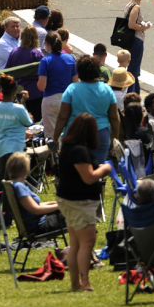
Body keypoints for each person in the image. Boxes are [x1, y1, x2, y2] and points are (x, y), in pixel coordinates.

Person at [56, 114, 111, 292]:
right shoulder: (79, 151)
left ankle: (75, 284)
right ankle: (84, 282)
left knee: (76, 244)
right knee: (87, 243)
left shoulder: (67, 147)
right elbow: (88, 178)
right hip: (80, 202)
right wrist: (105, 168)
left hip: (68, 199)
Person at [54, 56, 120, 164]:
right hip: (101, 134)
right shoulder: (107, 89)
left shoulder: (72, 89)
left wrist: (55, 137)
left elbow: (63, 116)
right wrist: (115, 138)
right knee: (96, 172)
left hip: (75, 134)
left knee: (74, 171)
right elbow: (114, 117)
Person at [6, 152, 63, 233]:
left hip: (37, 222)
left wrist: (56, 203)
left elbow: (36, 205)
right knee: (74, 213)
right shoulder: (19, 186)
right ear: (25, 168)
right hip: (39, 226)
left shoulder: (16, 184)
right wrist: (59, 206)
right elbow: (36, 210)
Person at [0, 74, 34, 176]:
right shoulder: (19, 108)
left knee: (3, 179)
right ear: (14, 91)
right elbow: (28, 123)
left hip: (1, 147)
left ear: (1, 90)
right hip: (16, 147)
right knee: (16, 179)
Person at [37, 31, 78, 138]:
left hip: (51, 99)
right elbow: (76, 82)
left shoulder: (45, 61)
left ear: (47, 44)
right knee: (69, 133)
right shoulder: (70, 58)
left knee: (52, 136)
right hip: (68, 99)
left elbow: (42, 86)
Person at [5, 25, 45, 122]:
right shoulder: (37, 54)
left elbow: (7, 71)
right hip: (35, 93)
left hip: (19, 92)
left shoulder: (14, 52)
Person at [123, 0, 152, 93]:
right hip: (136, 40)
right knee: (133, 70)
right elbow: (131, 24)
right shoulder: (136, 7)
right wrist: (144, 26)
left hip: (130, 40)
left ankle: (136, 94)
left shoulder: (129, 4)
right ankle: (131, 94)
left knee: (134, 69)